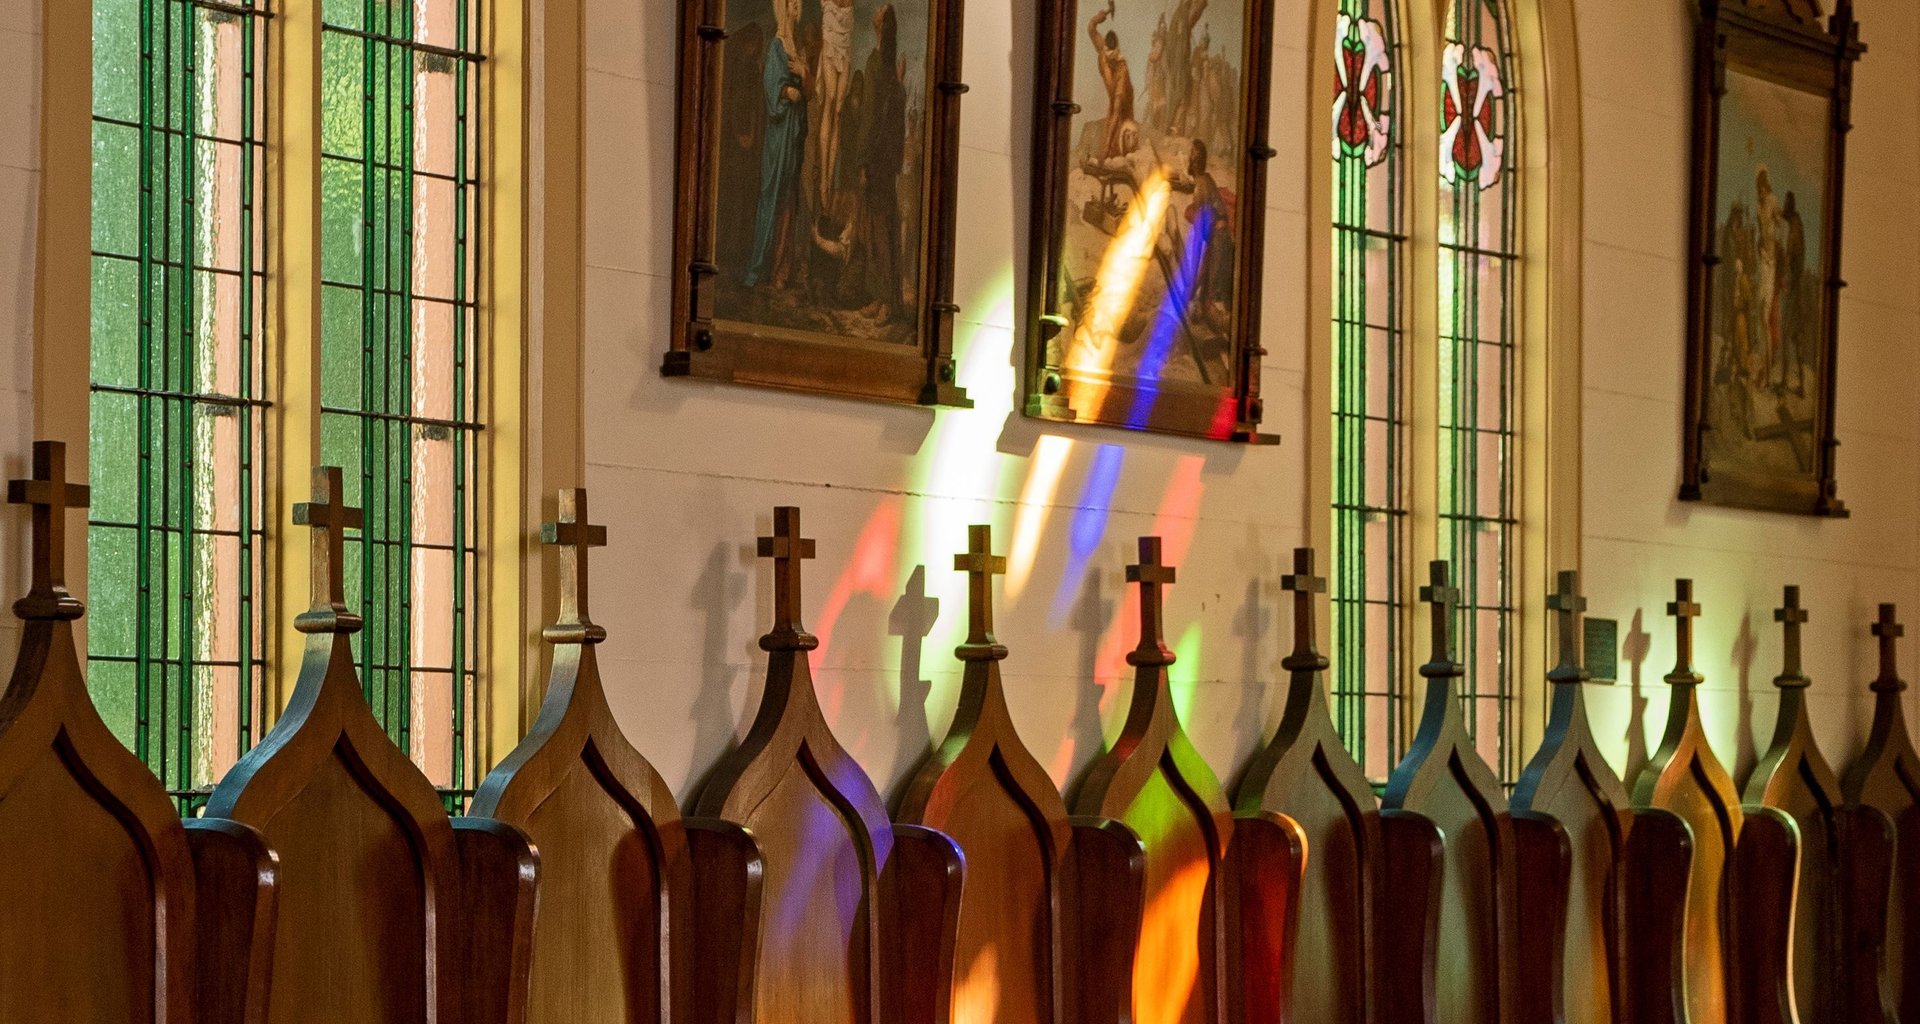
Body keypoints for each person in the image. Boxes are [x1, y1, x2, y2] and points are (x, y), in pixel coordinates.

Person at [743, 0, 808, 288]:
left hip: (793, 135)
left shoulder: (797, 51)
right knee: (771, 196)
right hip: (778, 134)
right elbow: (770, 89)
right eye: (792, 2)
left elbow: (811, 95)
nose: (797, 6)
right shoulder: (776, 47)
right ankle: (757, 267)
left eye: (799, 3)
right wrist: (787, 91)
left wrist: (803, 80)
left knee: (787, 201)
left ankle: (779, 271)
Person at [816, 0, 855, 208]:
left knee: (839, 110)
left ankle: (830, 178)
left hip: (846, 28)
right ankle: (823, 182)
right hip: (830, 26)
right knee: (830, 100)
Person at [1088, 8, 1136, 159]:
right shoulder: (1103, 50)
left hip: (1124, 104)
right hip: (1113, 101)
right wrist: (1103, 15)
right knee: (1108, 137)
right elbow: (1091, 28)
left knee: (1123, 138)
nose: (1108, 59)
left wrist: (1107, 145)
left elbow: (1117, 109)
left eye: (1111, 58)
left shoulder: (1122, 69)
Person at [1163, 0, 1209, 135]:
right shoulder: (1180, 15)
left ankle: (1176, 127)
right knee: (1179, 91)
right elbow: (1178, 39)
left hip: (1183, 62)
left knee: (1185, 93)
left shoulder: (1183, 16)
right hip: (1179, 64)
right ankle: (1170, 125)